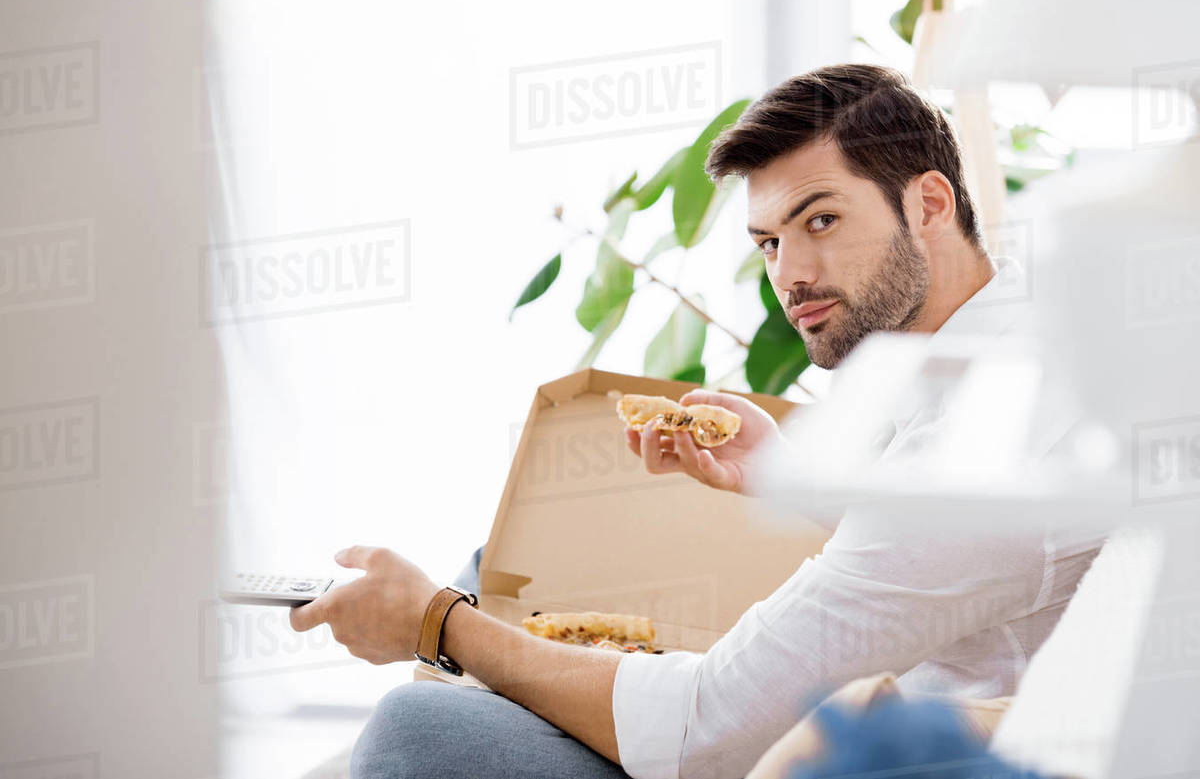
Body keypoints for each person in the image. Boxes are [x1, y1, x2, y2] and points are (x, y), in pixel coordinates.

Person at [287, 64, 1102, 779]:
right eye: (769, 242)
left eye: (820, 221)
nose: (792, 276)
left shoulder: (984, 432)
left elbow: (700, 731)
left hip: (869, 749)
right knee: (483, 570)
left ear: (929, 202)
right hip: (883, 706)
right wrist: (781, 472)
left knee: (419, 727)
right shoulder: (1004, 340)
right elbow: (967, 556)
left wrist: (435, 623)